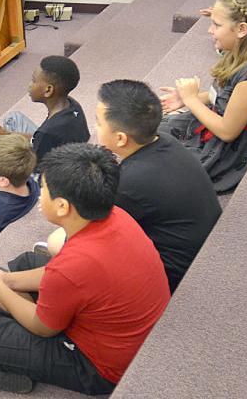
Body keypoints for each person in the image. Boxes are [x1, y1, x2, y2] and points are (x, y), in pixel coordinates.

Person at [0, 143, 169, 395]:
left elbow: (43, 327)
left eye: (43, 189)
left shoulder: (74, 264)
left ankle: (6, 356)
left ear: (62, 206)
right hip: (124, 329)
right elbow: (62, 273)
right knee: (27, 262)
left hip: (99, 367)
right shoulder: (115, 215)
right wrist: (8, 281)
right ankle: (7, 295)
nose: (39, 194)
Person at [92, 80, 222, 292]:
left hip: (174, 278)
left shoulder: (128, 182)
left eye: (98, 123)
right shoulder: (165, 140)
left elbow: (97, 236)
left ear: (121, 138)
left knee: (59, 242)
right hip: (205, 249)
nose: (95, 128)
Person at [161, 0, 247, 193]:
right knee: (153, 130)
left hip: (233, 147)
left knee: (161, 164)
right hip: (221, 117)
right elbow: (226, 95)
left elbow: (227, 132)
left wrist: (192, 100)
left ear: (241, 29)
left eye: (217, 25)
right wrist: (186, 99)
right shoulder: (240, 50)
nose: (210, 30)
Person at [0, 55, 89, 191]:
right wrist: (6, 135)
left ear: (48, 90)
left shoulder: (49, 131)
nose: (29, 85)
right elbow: (37, 138)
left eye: (34, 81)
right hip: (54, 150)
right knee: (13, 118)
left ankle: (8, 184)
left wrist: (0, 141)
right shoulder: (71, 104)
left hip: (43, 173)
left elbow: (29, 165)